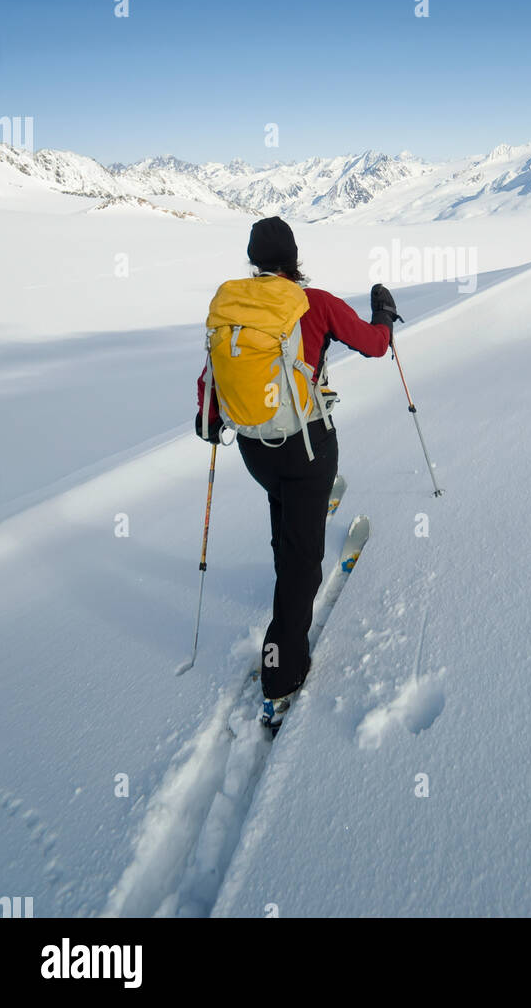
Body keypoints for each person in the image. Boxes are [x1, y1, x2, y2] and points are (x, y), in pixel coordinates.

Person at [196, 216, 400, 728]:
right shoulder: (316, 303)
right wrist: (384, 313)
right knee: (302, 564)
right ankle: (280, 675)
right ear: (293, 259)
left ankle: (291, 539)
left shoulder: (232, 309)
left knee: (282, 504)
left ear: (253, 261)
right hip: (307, 449)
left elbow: (212, 376)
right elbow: (376, 345)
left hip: (253, 449)